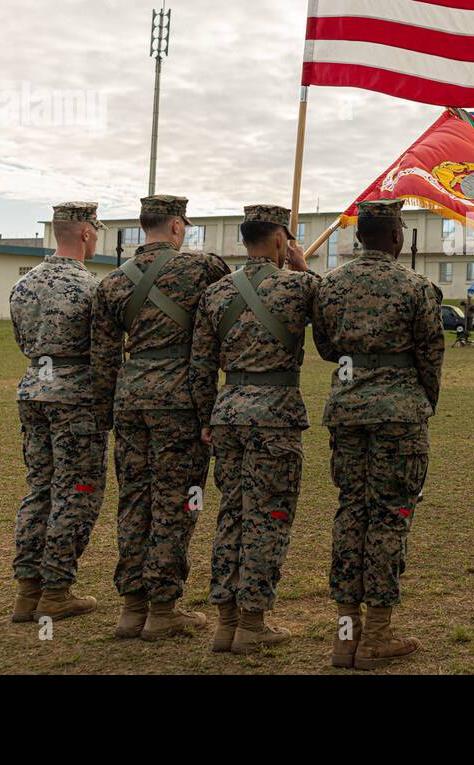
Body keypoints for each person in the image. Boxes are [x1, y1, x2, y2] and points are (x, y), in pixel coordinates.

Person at [311, 199, 445, 670]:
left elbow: (327, 348)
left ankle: (345, 637)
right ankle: (377, 636)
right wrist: (422, 400)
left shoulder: (330, 286)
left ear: (357, 237)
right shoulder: (417, 287)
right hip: (399, 414)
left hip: (346, 411)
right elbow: (432, 353)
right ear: (396, 238)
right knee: (390, 516)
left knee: (351, 511)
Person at [92, 195, 231, 641]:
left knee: (134, 499)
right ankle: (163, 608)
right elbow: (233, 312)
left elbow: (103, 356)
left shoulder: (112, 283)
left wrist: (105, 410)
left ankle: (132, 608)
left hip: (130, 399)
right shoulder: (202, 269)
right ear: (175, 226)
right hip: (179, 401)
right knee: (177, 502)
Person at [189, 205, 316, 656]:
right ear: (281, 240)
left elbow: (201, 364)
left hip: (227, 414)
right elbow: (333, 320)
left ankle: (226, 622)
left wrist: (206, 417)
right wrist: (305, 269)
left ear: (245, 240)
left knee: (232, 515)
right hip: (275, 415)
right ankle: (253, 623)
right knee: (269, 518)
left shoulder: (216, 292)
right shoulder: (300, 286)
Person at [8, 202, 108, 623]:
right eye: (97, 230)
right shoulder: (91, 286)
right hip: (75, 394)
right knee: (77, 490)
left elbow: (20, 339)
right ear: (86, 233)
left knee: (40, 488)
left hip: (34, 387)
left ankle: (27, 592)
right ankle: (56, 592)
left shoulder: (25, 284)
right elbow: (103, 351)